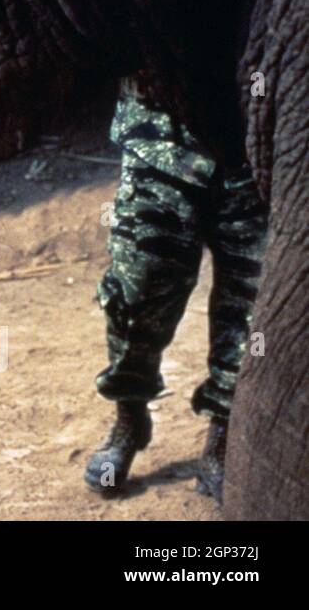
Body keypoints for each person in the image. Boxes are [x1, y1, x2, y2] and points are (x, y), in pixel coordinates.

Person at [85, 74, 265, 504]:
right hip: (160, 131)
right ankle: (129, 418)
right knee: (137, 288)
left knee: (252, 303)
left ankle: (221, 439)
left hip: (254, 139)